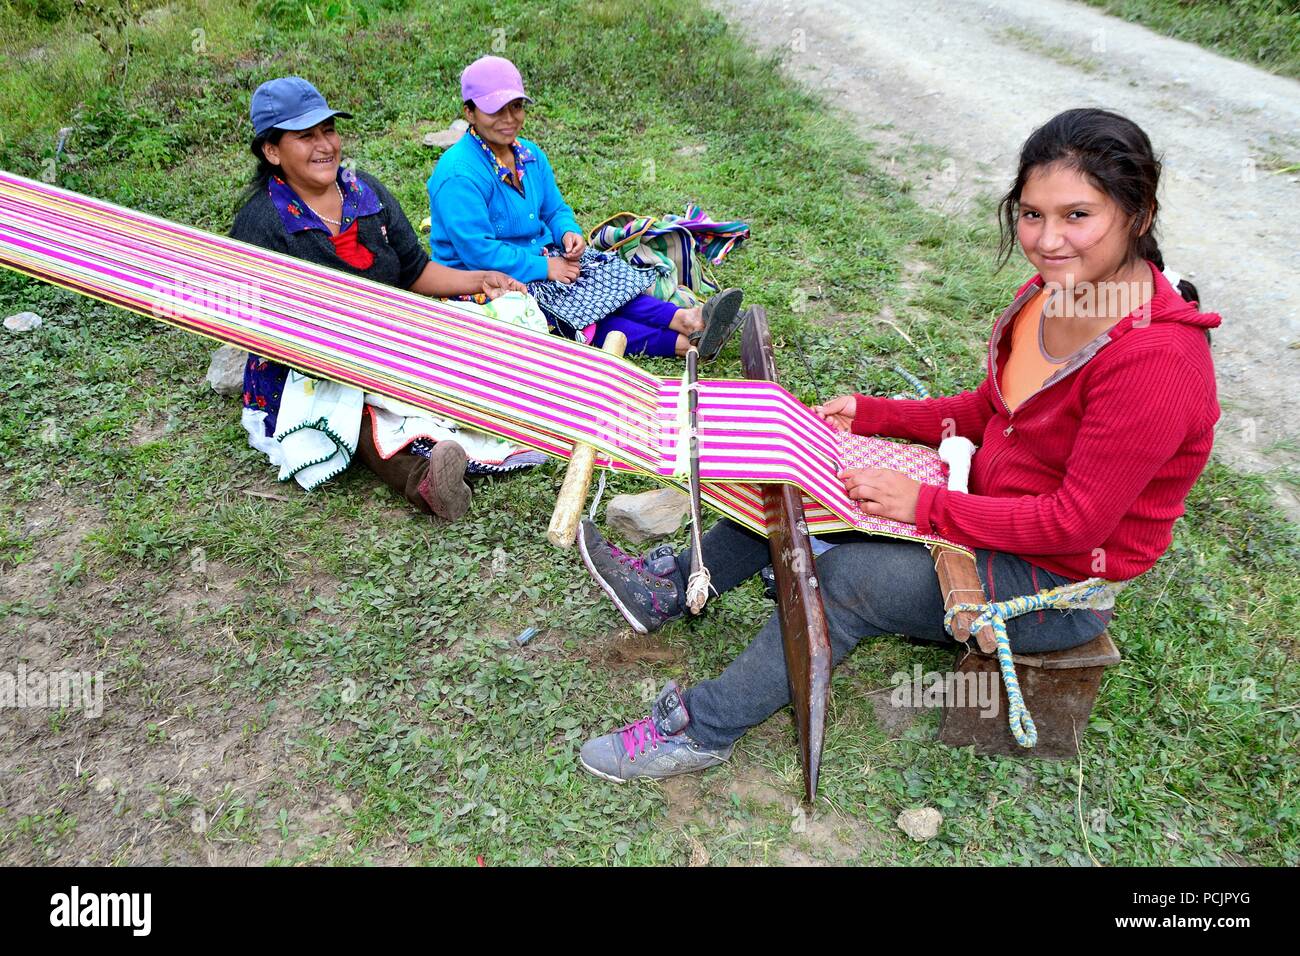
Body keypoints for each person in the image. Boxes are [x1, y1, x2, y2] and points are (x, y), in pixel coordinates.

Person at [574, 108, 1221, 782]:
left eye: (1077, 216)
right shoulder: (1059, 296)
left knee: (848, 582)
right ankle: (671, 587)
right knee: (797, 461)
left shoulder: (1157, 363)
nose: (1048, 240)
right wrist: (875, 415)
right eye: (1032, 215)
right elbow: (987, 412)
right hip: (989, 505)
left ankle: (703, 730)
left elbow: (1075, 523)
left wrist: (924, 506)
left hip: (1054, 581)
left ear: (1139, 215)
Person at [231, 76, 532, 520]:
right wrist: (346, 349)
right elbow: (257, 320)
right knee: (356, 409)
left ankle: (499, 419)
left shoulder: (362, 191)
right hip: (311, 361)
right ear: (272, 152)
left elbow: (413, 270)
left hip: (392, 336)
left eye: (328, 131)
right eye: (305, 137)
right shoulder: (262, 224)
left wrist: (479, 279)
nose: (325, 145)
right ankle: (426, 481)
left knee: (497, 327)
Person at [426, 56, 746, 361]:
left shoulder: (529, 155)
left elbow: (554, 209)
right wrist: (546, 269)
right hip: (484, 278)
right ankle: (683, 346)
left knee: (604, 278)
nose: (509, 120)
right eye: (496, 110)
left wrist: (568, 232)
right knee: (574, 316)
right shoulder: (459, 175)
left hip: (542, 257)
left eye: (517, 107)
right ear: (470, 112)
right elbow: (479, 253)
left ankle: (689, 320)